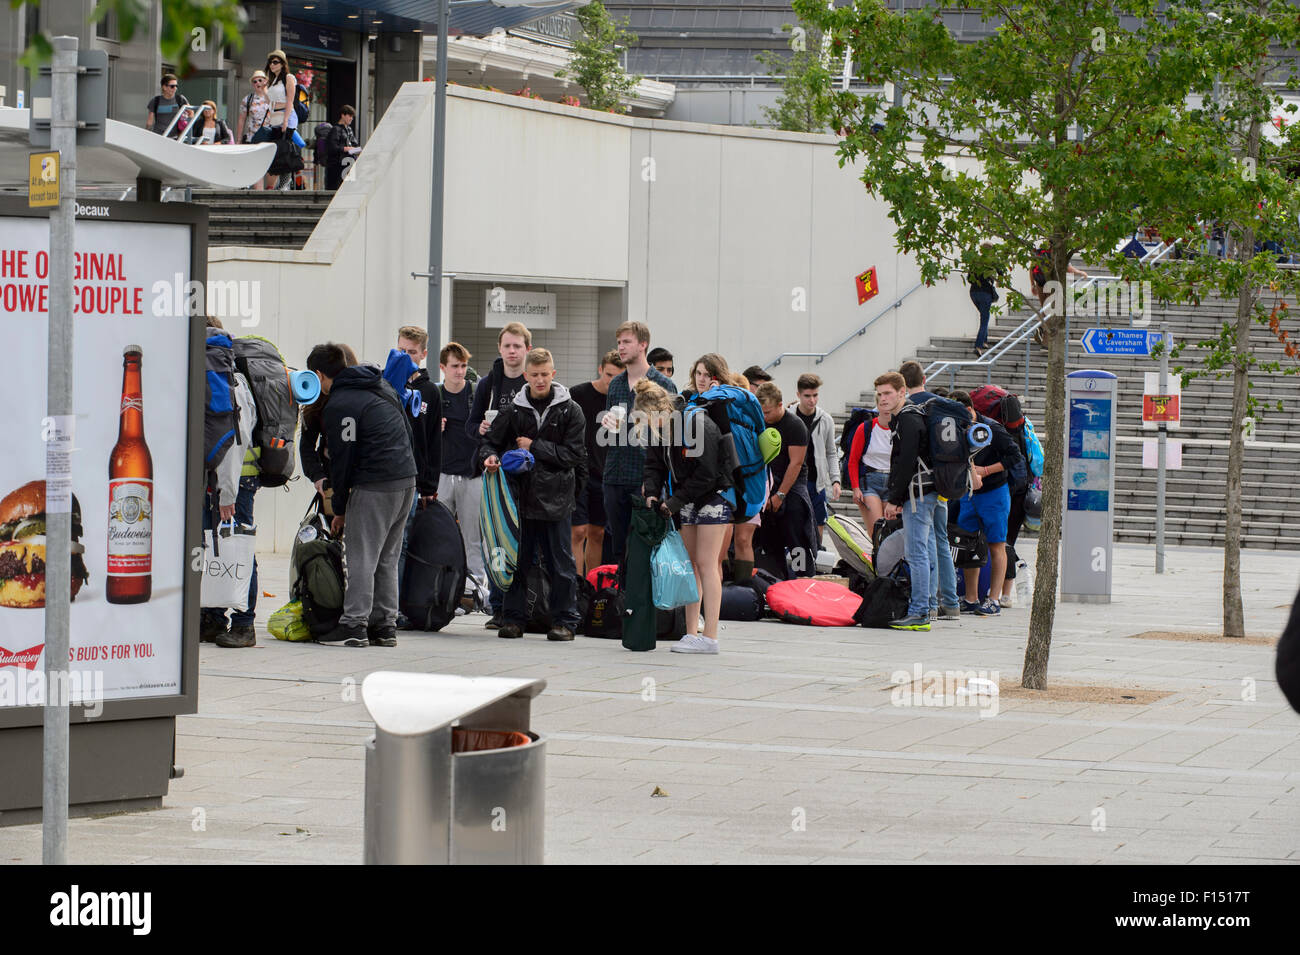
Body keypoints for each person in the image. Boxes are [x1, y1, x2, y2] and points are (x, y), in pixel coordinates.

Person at [307, 343, 417, 648]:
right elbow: (408, 431)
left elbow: (342, 463)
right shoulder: (379, 384)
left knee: (362, 557)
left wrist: (339, 507)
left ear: (319, 374)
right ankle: (385, 626)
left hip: (375, 484)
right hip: (406, 479)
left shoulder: (340, 404)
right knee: (387, 558)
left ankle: (354, 624)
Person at [480, 348, 586, 642]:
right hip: (520, 500)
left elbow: (574, 455)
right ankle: (514, 619)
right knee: (517, 563)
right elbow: (489, 442)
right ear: (526, 376)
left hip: (557, 501)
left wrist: (533, 446)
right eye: (535, 375)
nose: (540, 380)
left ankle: (565, 621)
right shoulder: (513, 410)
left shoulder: (571, 410)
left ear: (554, 374)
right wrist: (489, 458)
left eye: (545, 374)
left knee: (561, 566)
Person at [640, 379, 733, 655]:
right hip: (688, 499)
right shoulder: (660, 428)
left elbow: (707, 473)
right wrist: (653, 494)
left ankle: (711, 636)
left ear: (663, 410)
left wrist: (675, 501)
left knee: (707, 563)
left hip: (713, 496)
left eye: (650, 418)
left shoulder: (696, 424)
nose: (648, 424)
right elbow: (654, 464)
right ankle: (691, 633)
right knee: (691, 564)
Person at [467, 321, 532, 628]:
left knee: (523, 541)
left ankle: (524, 606)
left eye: (517, 346)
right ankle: (497, 606)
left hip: (526, 474)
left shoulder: (534, 381)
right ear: (499, 349)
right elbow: (471, 427)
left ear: (527, 349)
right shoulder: (488, 384)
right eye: (507, 345)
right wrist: (479, 429)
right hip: (494, 472)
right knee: (495, 540)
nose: (511, 351)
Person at [201, 317, 259, 649]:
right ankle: (211, 618)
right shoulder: (226, 377)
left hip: (234, 483)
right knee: (212, 547)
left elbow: (233, 442)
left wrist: (226, 492)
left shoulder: (226, 381)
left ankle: (244, 623)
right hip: (227, 481)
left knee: (237, 549)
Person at [600, 321, 677, 564]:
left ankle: (642, 601)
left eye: (627, 342)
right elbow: (612, 430)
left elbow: (671, 437)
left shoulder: (663, 384)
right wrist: (608, 424)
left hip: (646, 478)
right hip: (614, 474)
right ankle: (622, 598)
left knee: (646, 547)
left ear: (643, 344)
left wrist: (655, 482)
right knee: (618, 548)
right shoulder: (616, 383)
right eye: (619, 342)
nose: (621, 348)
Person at [948, 391, 1023, 616]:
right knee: (968, 544)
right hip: (969, 493)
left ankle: (994, 599)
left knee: (996, 544)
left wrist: (986, 470)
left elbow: (1014, 456)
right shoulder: (955, 429)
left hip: (995, 493)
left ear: (970, 410)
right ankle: (971, 598)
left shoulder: (993, 429)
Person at [900, 360, 960, 619]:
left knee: (924, 544)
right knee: (941, 539)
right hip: (943, 481)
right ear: (924, 379)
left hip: (920, 484)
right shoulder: (940, 405)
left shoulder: (912, 408)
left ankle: (930, 606)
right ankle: (951, 601)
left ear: (902, 385)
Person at [882, 389, 936, 632]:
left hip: (918, 494)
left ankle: (919, 612)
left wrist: (894, 498)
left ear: (902, 392)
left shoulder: (908, 418)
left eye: (888, 393)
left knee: (916, 553)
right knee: (924, 550)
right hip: (923, 491)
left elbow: (906, 462)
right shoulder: (909, 416)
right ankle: (926, 606)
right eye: (879, 394)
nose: (883, 399)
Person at [435, 342, 487, 592]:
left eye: (464, 365)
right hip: (443, 474)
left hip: (472, 474)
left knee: (472, 536)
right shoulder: (435, 395)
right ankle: (440, 584)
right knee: (440, 532)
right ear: (442, 368)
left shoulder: (476, 394)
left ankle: (474, 587)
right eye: (455, 366)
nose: (460, 371)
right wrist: (436, 429)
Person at [569, 349, 623, 578]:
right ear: (600, 370)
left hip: (606, 473)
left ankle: (591, 586)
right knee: (577, 531)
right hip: (578, 470)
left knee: (598, 533)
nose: (612, 381)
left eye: (618, 377)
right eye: (609, 375)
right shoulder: (578, 393)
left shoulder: (622, 400)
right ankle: (575, 587)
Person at [756, 382, 818, 578]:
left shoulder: (795, 425)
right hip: (767, 484)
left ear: (780, 405)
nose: (764, 417)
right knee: (767, 543)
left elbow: (796, 464)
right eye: (761, 412)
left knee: (796, 540)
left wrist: (780, 495)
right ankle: (775, 578)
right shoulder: (759, 422)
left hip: (791, 488)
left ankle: (802, 577)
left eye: (767, 412)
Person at [300, 343, 359, 518]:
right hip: (331, 481)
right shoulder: (316, 402)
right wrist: (318, 477)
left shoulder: (357, 397)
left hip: (359, 480)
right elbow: (306, 446)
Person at [847, 372, 905, 532]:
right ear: (877, 405)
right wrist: (856, 488)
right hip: (870, 481)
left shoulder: (901, 427)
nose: (885, 405)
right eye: (881, 400)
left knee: (891, 532)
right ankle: (875, 556)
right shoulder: (865, 428)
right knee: (877, 531)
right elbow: (853, 461)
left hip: (892, 481)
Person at [791, 374, 840, 545]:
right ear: (798, 395)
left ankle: (816, 556)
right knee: (794, 524)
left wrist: (835, 480)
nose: (812, 400)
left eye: (815, 395)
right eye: (807, 396)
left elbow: (831, 453)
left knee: (818, 523)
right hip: (793, 481)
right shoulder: (789, 416)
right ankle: (796, 562)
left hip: (816, 482)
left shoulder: (826, 419)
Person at [261, 50, 299, 190]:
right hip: (275, 117)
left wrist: (286, 120)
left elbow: (290, 101)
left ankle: (285, 183)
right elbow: (269, 102)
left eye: (275, 62)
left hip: (286, 116)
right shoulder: (272, 80)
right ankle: (280, 183)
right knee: (277, 150)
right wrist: (264, 89)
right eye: (270, 62)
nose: (272, 65)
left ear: (283, 64)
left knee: (285, 150)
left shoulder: (288, 78)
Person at [968, 245, 1001, 356]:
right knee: (984, 319)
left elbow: (969, 278)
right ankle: (978, 345)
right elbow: (1001, 272)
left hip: (973, 293)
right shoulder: (991, 262)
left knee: (984, 315)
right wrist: (996, 280)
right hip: (985, 293)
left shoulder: (975, 261)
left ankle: (985, 341)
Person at [324, 105, 361, 191]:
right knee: (337, 188)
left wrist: (357, 150)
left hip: (348, 163)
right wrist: (346, 149)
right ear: (343, 115)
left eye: (352, 116)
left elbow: (354, 145)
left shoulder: (349, 130)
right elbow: (332, 148)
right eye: (349, 116)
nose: (351, 118)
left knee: (349, 188)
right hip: (338, 165)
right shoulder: (335, 129)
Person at [237, 71, 272, 153]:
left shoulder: (272, 96)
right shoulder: (248, 99)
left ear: (265, 82)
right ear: (253, 84)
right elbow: (241, 119)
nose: (258, 83)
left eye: (260, 80)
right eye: (255, 81)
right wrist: (239, 139)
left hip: (270, 137)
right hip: (252, 138)